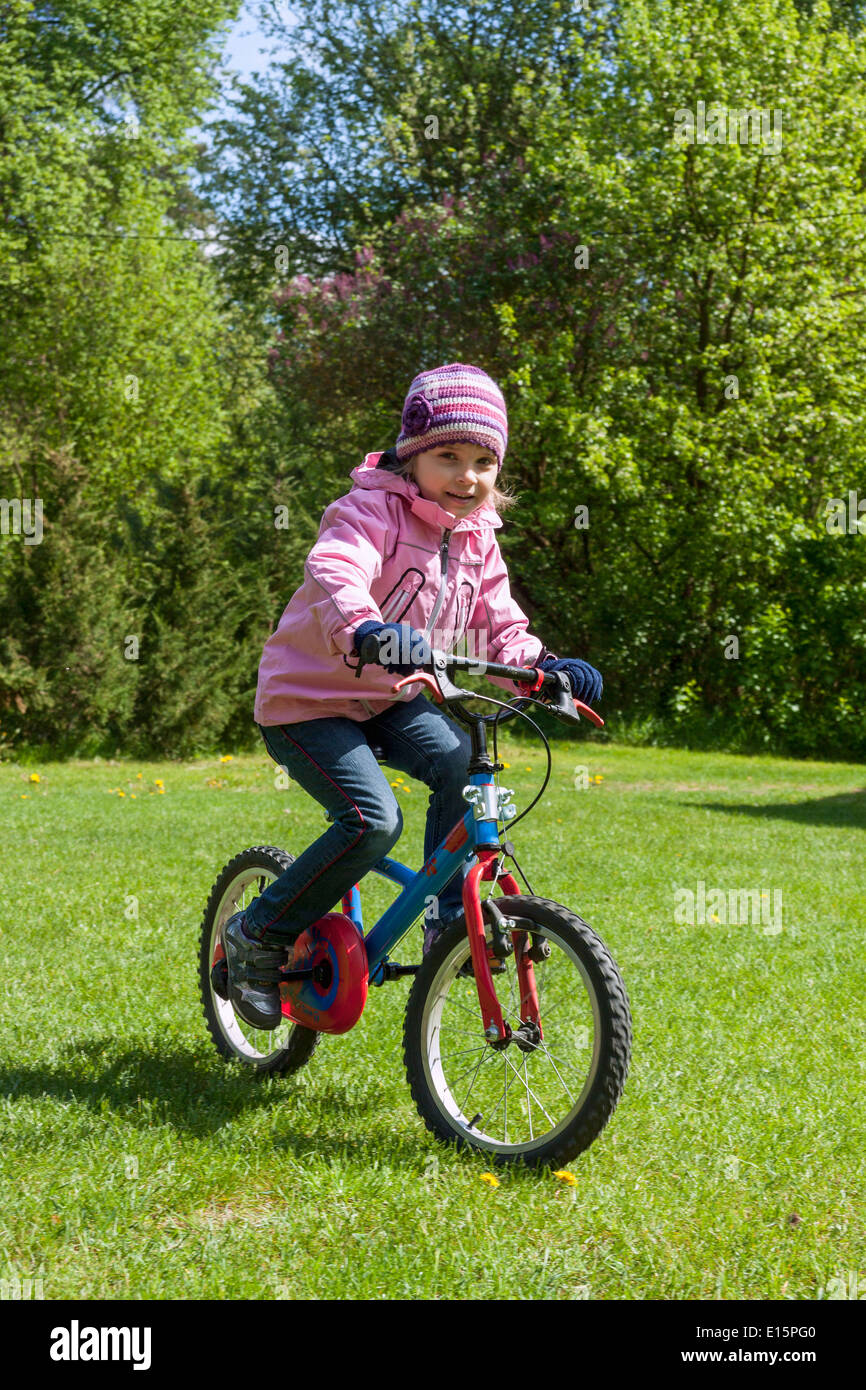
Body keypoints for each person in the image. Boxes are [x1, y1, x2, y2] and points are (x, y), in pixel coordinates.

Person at [220, 362, 603, 1028]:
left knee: (460, 762)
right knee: (372, 821)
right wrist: (366, 627)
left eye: (484, 460)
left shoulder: (479, 537)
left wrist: (547, 666)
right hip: (309, 702)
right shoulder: (368, 510)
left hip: (392, 696)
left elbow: (498, 623)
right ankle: (259, 931)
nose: (468, 476)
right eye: (449, 456)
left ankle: (447, 920)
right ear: (412, 455)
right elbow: (337, 568)